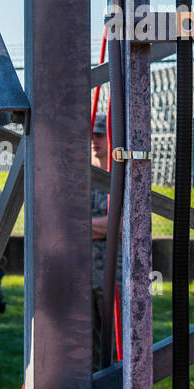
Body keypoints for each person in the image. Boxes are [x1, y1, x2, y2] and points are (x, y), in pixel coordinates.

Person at [90, 113, 112, 372]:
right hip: (83, 276)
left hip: (115, 276)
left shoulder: (124, 175)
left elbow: (121, 224)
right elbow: (65, 223)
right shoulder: (80, 177)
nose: (94, 140)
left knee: (116, 343)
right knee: (85, 346)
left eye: (99, 134)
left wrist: (81, 226)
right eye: (91, 134)